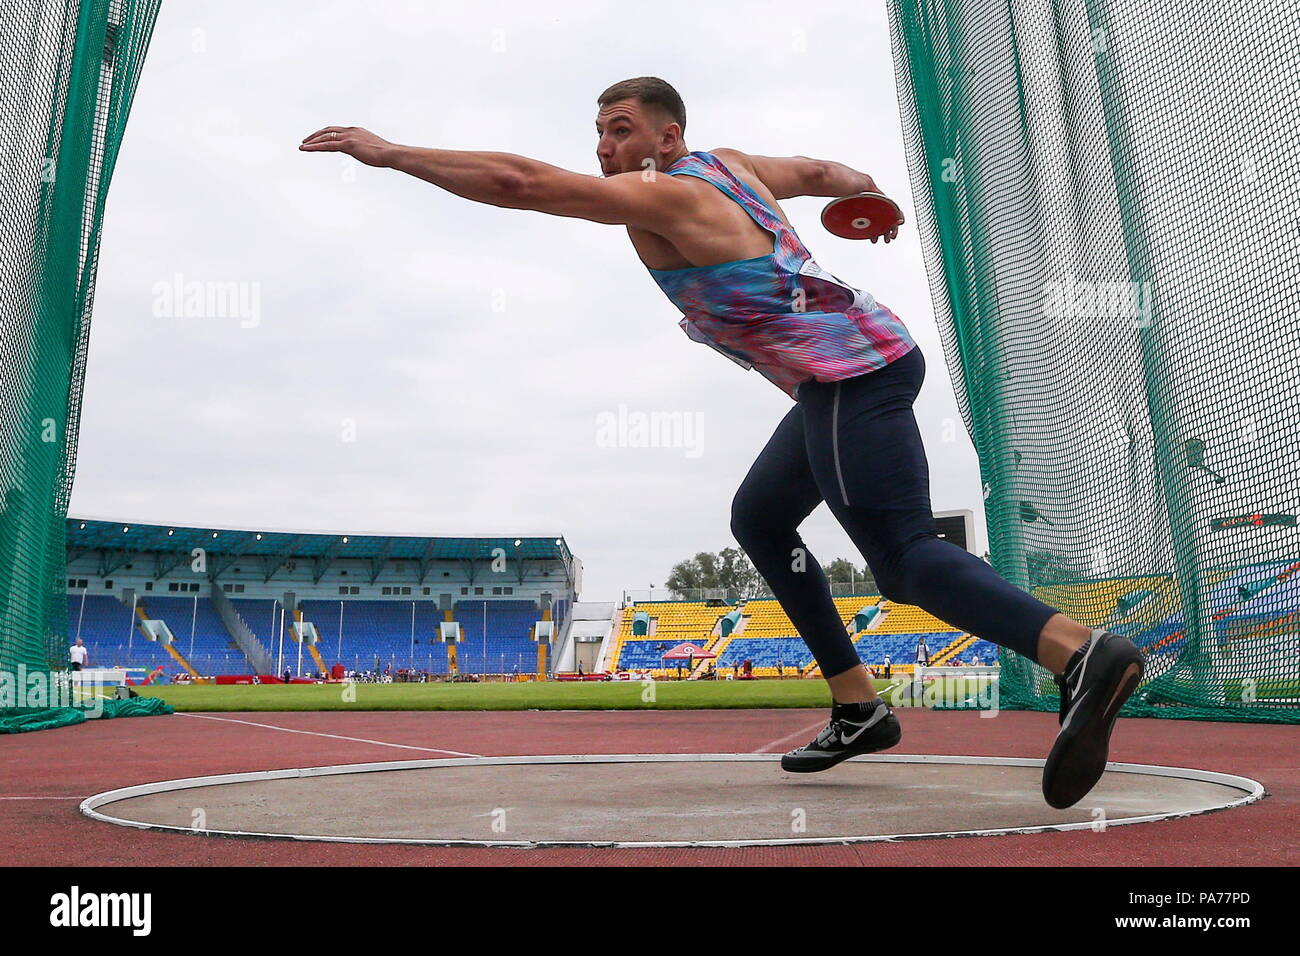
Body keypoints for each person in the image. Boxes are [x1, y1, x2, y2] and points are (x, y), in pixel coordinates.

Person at [301, 76, 1144, 810]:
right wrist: (864, 190)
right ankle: (860, 706)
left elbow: (521, 181)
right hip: (842, 371)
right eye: (597, 131)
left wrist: (392, 154)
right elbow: (817, 174)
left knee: (904, 558)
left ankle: (1079, 654)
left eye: (621, 128)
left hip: (853, 374)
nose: (603, 146)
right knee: (761, 518)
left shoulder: (665, 191)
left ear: (670, 136)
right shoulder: (733, 163)